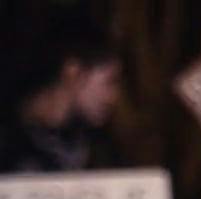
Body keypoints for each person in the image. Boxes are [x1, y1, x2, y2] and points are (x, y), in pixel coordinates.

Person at [0, 12, 117, 176]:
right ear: (73, 72)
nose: (112, 97)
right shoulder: (10, 141)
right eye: (109, 82)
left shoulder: (88, 143)